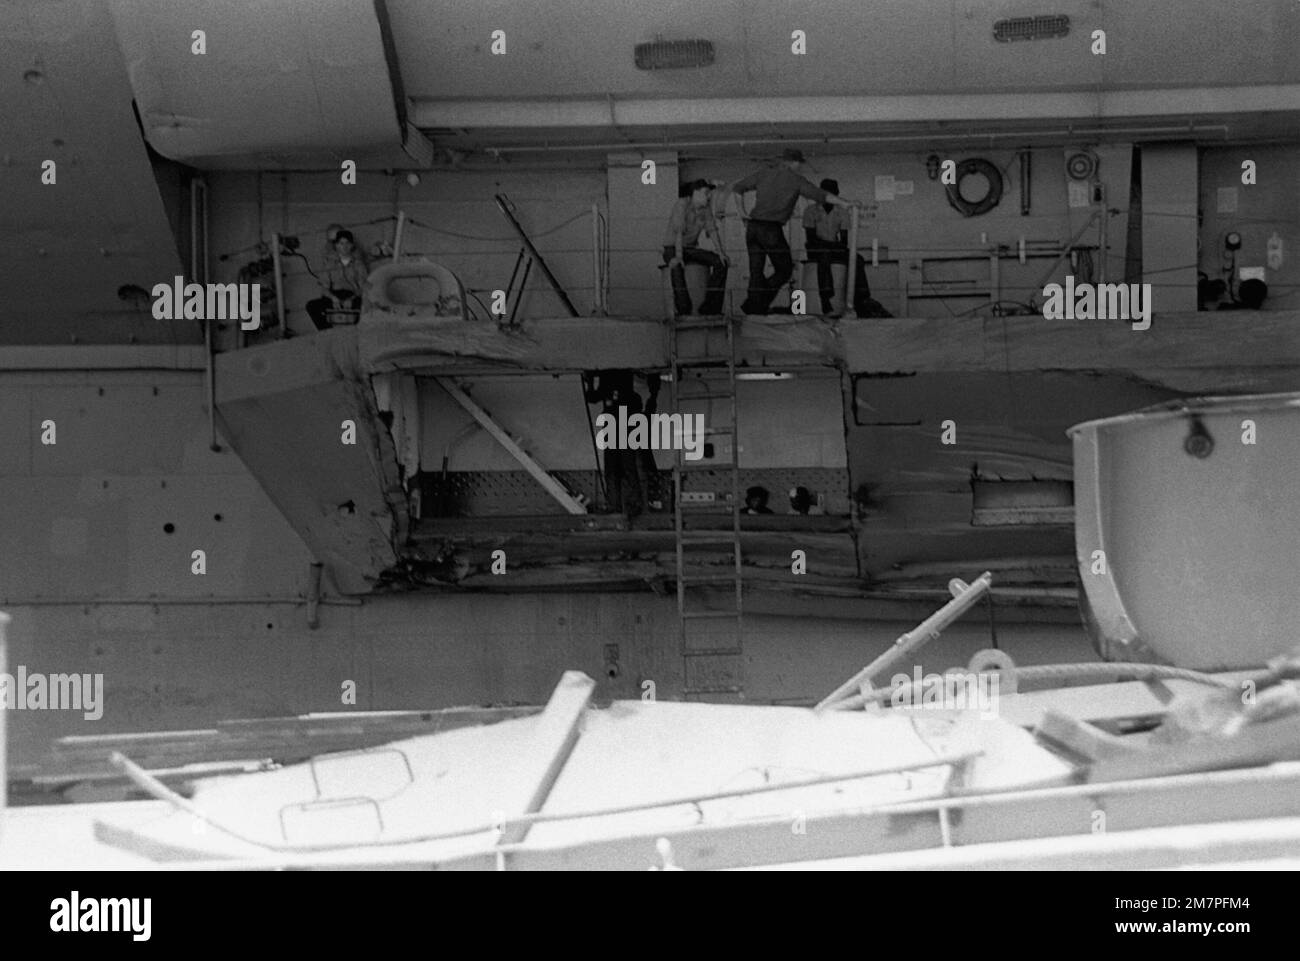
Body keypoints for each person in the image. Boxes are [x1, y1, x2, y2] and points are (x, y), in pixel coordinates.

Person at [721, 149, 856, 315]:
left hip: (753, 228)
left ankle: (754, 308)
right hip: (771, 229)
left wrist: (742, 214)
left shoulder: (764, 173)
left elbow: (737, 188)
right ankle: (755, 303)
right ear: (793, 163)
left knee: (756, 270)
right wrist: (845, 203)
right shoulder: (796, 180)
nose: (800, 167)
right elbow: (821, 196)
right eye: (799, 163)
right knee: (784, 270)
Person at [803, 177, 875, 317]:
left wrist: (834, 246)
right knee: (824, 255)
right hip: (816, 247)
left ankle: (862, 297)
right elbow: (811, 237)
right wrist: (831, 245)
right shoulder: (810, 210)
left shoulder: (842, 212)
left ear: (836, 195)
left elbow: (844, 240)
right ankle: (826, 298)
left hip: (833, 247)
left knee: (857, 258)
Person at [663, 179, 728, 316]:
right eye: (706, 193)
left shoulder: (706, 209)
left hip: (690, 248)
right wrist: (679, 256)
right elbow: (678, 231)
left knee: (720, 262)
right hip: (673, 246)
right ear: (695, 193)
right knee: (676, 266)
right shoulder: (682, 204)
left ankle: (710, 308)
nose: (709, 196)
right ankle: (684, 309)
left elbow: (712, 231)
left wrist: (721, 253)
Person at [307, 229, 370, 331]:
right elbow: (324, 287)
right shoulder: (329, 264)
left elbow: (364, 287)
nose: (344, 247)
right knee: (311, 306)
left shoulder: (358, 264)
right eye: (341, 243)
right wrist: (333, 298)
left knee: (367, 306)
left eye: (347, 243)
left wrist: (352, 298)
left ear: (352, 245)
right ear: (336, 246)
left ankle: (358, 332)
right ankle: (327, 332)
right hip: (335, 296)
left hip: (352, 295)